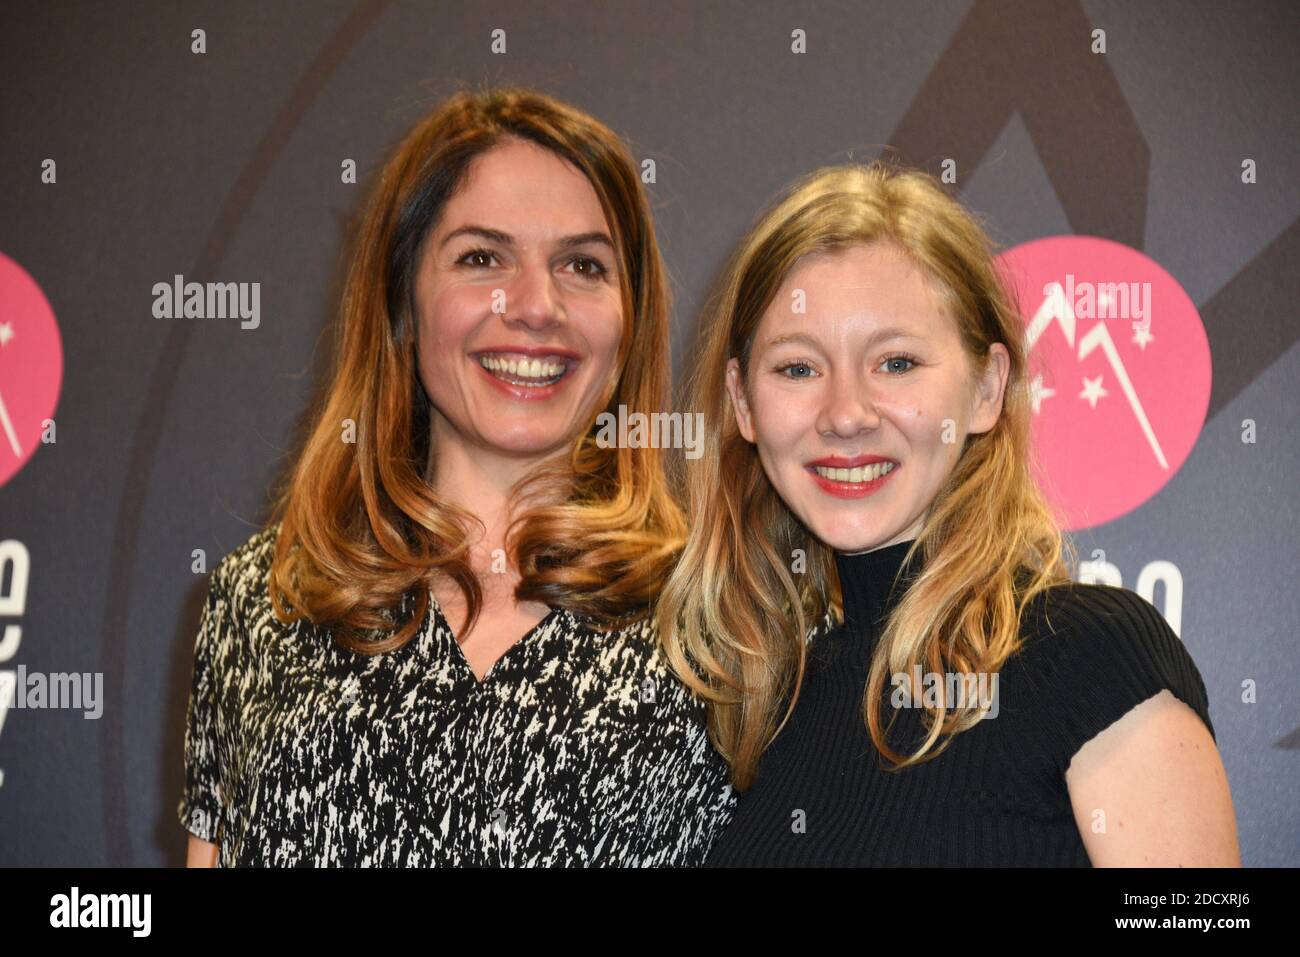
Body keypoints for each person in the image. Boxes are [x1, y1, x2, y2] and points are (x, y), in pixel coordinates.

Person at [178, 86, 734, 867]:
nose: (537, 306)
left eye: (583, 264)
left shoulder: (720, 613)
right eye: (482, 257)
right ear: (403, 301)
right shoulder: (263, 598)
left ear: (630, 316)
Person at [656, 161, 1240, 866]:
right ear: (743, 403)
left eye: (897, 362)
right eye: (798, 368)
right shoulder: (766, 706)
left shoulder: (1092, 659)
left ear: (989, 388)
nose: (845, 414)